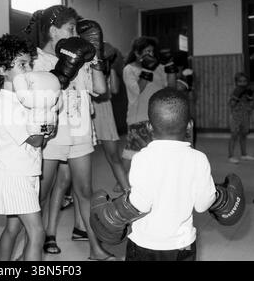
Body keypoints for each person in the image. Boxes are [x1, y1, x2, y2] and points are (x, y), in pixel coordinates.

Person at [25, 6, 115, 261]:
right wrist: (63, 69)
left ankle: (96, 249)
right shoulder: (37, 60)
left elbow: (101, 89)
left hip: (81, 133)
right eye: (71, 29)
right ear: (54, 31)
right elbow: (35, 98)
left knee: (84, 192)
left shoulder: (83, 56)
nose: (77, 34)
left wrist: (95, 57)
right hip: (52, 136)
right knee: (39, 196)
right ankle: (27, 250)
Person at [0, 33, 59, 261]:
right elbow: (37, 140)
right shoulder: (5, 104)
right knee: (37, 233)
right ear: (2, 69)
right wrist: (47, 120)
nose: (28, 69)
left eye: (29, 63)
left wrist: (46, 125)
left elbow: (42, 137)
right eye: (21, 64)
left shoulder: (23, 100)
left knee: (13, 229)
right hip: (14, 174)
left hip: (24, 170)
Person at [125, 87, 217, 261]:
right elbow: (202, 205)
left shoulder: (141, 158)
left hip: (144, 243)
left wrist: (117, 211)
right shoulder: (199, 159)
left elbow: (141, 205)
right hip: (182, 245)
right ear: (190, 125)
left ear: (148, 126)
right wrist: (218, 195)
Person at [121, 37, 177, 172]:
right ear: (137, 53)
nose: (151, 54)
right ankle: (121, 181)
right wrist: (146, 70)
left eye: (152, 51)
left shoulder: (158, 68)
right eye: (147, 51)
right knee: (132, 150)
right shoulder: (129, 69)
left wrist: (170, 66)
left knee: (157, 150)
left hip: (158, 116)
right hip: (138, 116)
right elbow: (136, 90)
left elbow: (171, 87)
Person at [92, 42, 130, 193]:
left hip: (103, 110)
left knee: (113, 156)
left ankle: (127, 192)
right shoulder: (81, 62)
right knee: (78, 160)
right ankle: (70, 194)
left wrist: (111, 65)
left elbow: (113, 89)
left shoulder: (106, 64)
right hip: (82, 111)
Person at [228, 72, 254, 164]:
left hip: (245, 116)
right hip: (235, 116)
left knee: (244, 135)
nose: (242, 83)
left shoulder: (250, 91)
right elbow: (231, 105)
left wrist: (251, 98)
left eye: (244, 81)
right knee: (234, 135)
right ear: (236, 82)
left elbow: (253, 106)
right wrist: (237, 96)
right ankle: (231, 156)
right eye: (240, 81)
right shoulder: (235, 91)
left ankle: (244, 154)